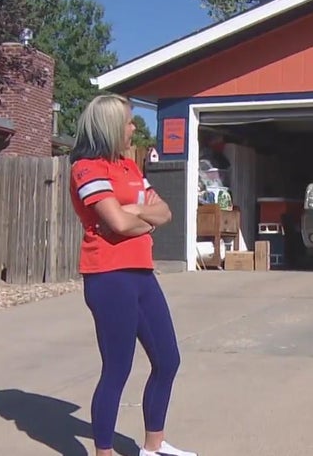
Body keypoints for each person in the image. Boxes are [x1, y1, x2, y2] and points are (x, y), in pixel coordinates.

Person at [68, 94, 194, 456]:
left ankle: (153, 447)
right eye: (127, 121)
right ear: (108, 126)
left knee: (168, 360)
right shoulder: (87, 169)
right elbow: (117, 223)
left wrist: (135, 209)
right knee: (118, 368)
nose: (133, 127)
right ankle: (104, 452)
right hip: (108, 277)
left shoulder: (129, 167)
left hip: (141, 273)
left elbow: (165, 212)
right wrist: (139, 219)